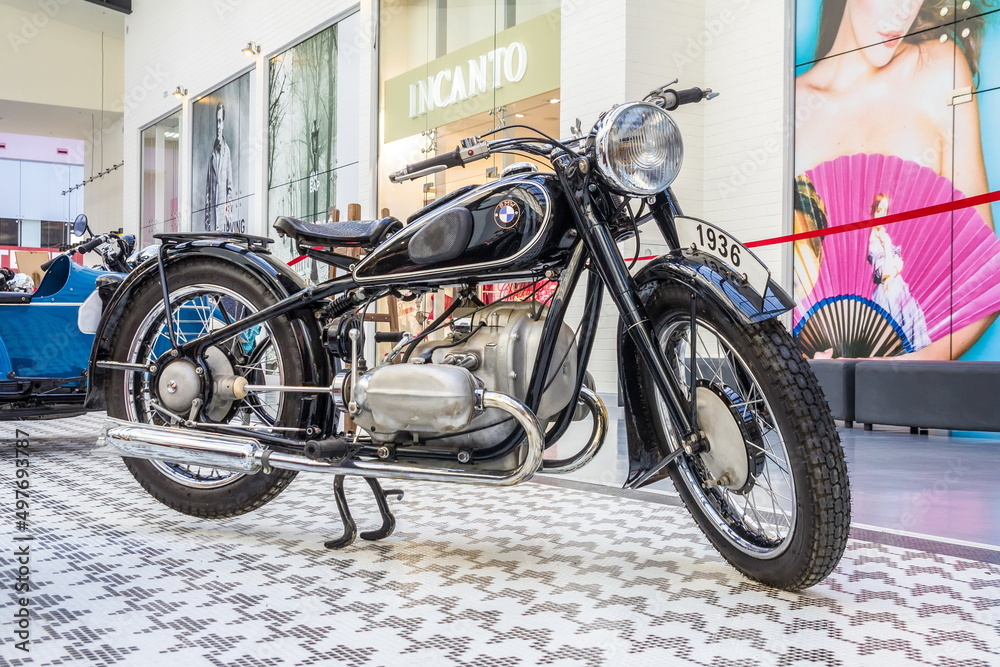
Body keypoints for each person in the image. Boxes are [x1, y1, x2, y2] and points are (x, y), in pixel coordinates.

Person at [794, 0, 996, 359]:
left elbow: (981, 281)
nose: (903, 13)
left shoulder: (939, 70)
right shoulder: (790, 108)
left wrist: (894, 374)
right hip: (803, 397)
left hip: (906, 393)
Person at [866, 194, 932, 350]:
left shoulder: (884, 234)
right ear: (873, 210)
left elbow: (899, 263)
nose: (882, 214)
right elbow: (884, 272)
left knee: (912, 322)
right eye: (879, 209)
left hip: (897, 286)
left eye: (885, 211)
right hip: (886, 292)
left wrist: (894, 270)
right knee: (893, 330)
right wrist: (888, 248)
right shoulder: (873, 239)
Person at [205, 102, 235, 232]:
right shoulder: (212, 155)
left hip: (223, 220)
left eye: (220, 121)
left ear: (223, 123)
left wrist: (228, 216)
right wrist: (207, 222)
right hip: (212, 220)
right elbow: (208, 192)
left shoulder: (226, 152)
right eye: (216, 122)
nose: (218, 126)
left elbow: (230, 188)